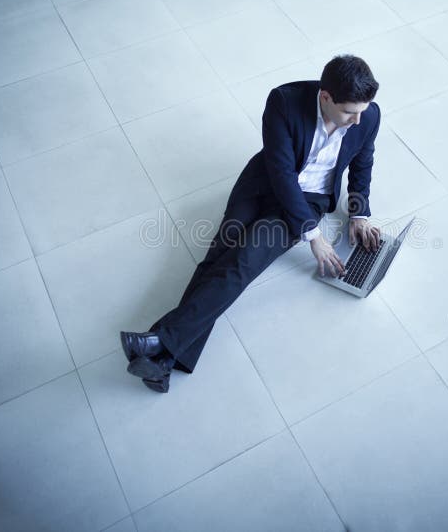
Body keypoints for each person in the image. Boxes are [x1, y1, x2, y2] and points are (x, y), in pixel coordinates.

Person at [120, 55, 382, 392]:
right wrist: (315, 237)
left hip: (308, 202)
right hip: (265, 184)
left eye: (363, 110)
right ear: (326, 96)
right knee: (219, 255)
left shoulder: (367, 115)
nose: (358, 120)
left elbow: (363, 163)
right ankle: (166, 358)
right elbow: (282, 173)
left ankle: (159, 344)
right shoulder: (284, 102)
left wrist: (358, 213)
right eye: (350, 111)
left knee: (245, 259)